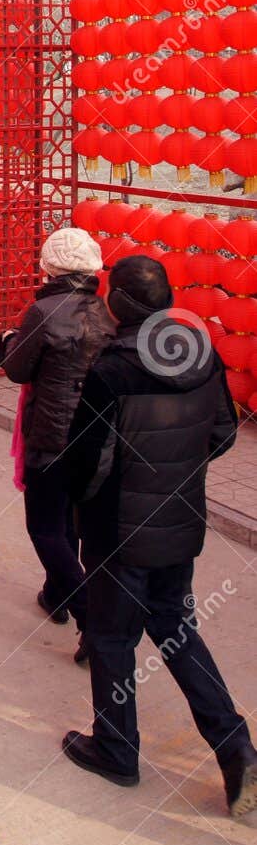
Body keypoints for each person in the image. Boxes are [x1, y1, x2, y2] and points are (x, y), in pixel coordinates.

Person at [58, 254, 256, 815]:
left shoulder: (111, 371)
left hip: (118, 533)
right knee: (176, 631)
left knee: (112, 639)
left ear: (118, 302)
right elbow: (222, 435)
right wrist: (177, 470)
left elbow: (85, 466)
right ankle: (236, 746)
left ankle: (117, 750)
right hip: (180, 523)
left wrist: (84, 502)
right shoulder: (201, 352)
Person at [0, 227, 112, 664]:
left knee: (44, 527)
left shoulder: (43, 310)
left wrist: (2, 343)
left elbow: (18, 369)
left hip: (51, 432)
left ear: (49, 268)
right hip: (94, 435)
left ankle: (88, 617)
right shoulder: (106, 311)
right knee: (68, 522)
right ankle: (55, 593)